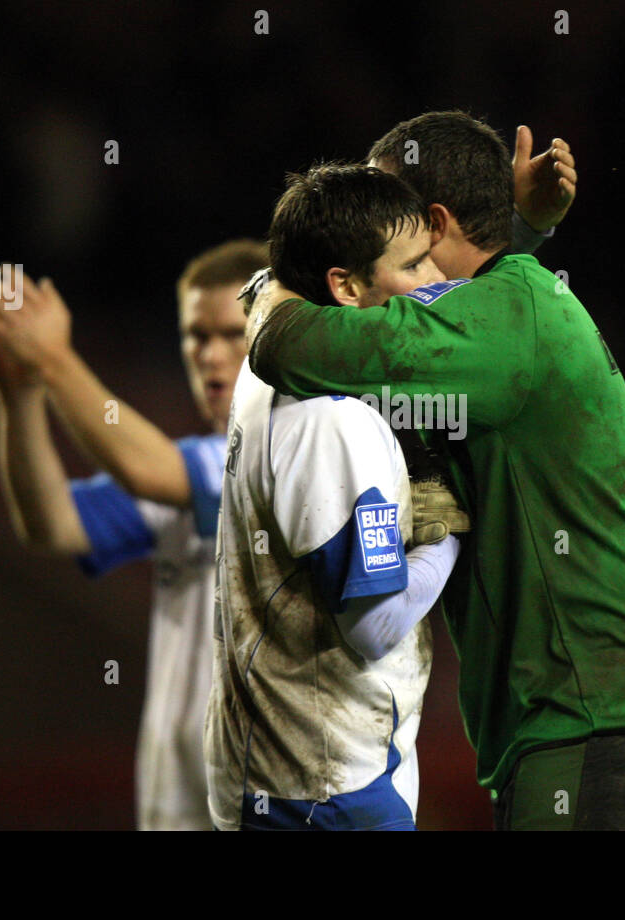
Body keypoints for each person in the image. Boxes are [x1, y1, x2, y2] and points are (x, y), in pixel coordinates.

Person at [247, 112, 625, 830]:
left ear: (433, 222)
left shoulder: (501, 321)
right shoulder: (517, 302)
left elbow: (295, 349)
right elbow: (470, 294)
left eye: (392, 216)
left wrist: (270, 301)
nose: (373, 229)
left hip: (586, 716)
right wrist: (518, 228)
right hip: (599, 712)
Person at [205, 164, 470, 831]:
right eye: (413, 266)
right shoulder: (334, 422)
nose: (435, 282)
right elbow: (374, 626)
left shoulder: (272, 361)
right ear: (344, 286)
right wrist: (450, 538)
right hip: (329, 788)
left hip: (277, 766)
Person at [0, 239, 267, 830]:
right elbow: (52, 523)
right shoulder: (190, 468)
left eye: (232, 334)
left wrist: (53, 360)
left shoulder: (276, 460)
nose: (211, 356)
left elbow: (147, 469)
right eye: (196, 336)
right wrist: (20, 390)